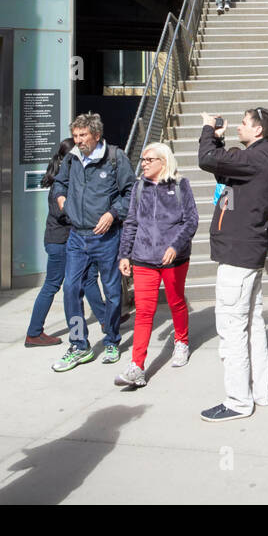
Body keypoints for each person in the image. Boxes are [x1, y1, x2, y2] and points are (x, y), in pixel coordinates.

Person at [197, 107, 268, 421]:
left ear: (258, 130)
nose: (238, 127)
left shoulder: (255, 159)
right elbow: (223, 169)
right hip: (247, 252)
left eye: (244, 123)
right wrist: (220, 145)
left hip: (238, 255)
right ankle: (259, 392)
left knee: (232, 330)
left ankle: (237, 401)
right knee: (253, 324)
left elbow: (206, 159)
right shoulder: (256, 159)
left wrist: (208, 131)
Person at [50, 113, 135, 372]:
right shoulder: (72, 158)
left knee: (111, 292)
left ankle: (111, 340)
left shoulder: (114, 158)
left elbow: (131, 192)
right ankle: (79, 344)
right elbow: (59, 184)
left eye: (83, 135)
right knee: (70, 289)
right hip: (77, 236)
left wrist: (112, 214)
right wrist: (62, 200)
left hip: (106, 238)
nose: (78, 141)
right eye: (75, 136)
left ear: (96, 135)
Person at [115, 142, 199, 387]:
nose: (144, 163)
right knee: (143, 312)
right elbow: (131, 222)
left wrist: (175, 246)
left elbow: (190, 221)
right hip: (143, 257)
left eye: (149, 159)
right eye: (143, 159)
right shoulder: (139, 187)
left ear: (164, 161)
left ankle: (181, 341)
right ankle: (137, 366)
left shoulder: (180, 185)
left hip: (174, 258)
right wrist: (124, 254)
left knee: (176, 301)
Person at [25, 138, 105, 347]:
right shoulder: (60, 185)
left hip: (66, 240)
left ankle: (106, 320)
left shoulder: (66, 179)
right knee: (53, 284)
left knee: (87, 278)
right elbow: (64, 214)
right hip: (60, 242)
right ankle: (34, 332)